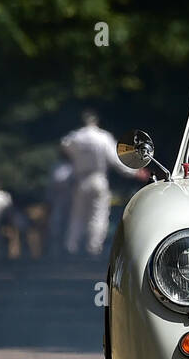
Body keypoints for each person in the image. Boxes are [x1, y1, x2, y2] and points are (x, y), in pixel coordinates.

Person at [61, 110, 148, 256]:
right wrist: (135, 171)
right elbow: (115, 161)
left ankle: (71, 246)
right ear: (96, 122)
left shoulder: (75, 138)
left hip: (80, 180)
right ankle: (93, 247)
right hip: (98, 178)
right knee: (98, 214)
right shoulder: (103, 137)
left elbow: (64, 146)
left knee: (77, 214)